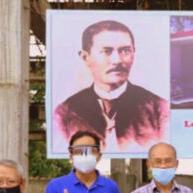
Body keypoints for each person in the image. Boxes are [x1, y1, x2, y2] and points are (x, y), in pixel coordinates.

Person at [53, 20, 169, 153]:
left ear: (134, 53)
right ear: (85, 57)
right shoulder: (66, 112)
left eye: (125, 51)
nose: (117, 60)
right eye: (106, 51)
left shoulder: (158, 109)